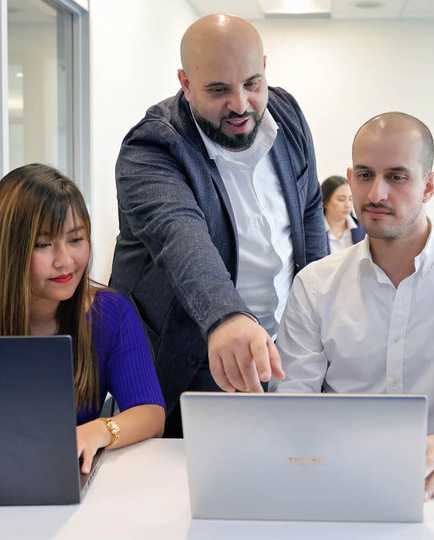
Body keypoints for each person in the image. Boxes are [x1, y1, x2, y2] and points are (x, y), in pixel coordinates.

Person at [272, 113, 434, 500]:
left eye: (396, 176)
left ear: (428, 186)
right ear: (350, 177)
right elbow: (293, 396)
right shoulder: (315, 283)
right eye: (364, 175)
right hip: (339, 478)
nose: (376, 194)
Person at [108, 14, 325, 437]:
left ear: (264, 68)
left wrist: (322, 318)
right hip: (193, 361)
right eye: (218, 90)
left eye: (252, 83)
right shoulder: (152, 147)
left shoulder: (288, 115)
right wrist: (227, 318)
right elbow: (181, 238)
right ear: (185, 83)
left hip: (285, 354)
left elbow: (309, 213)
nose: (240, 105)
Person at [0, 164, 165, 472]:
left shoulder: (111, 313)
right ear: (9, 250)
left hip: (63, 476)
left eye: (76, 239)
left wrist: (98, 430)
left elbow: (151, 414)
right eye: (43, 244)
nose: (65, 261)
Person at [321, 175, 364, 253]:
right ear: (325, 202)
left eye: (350, 199)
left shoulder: (363, 230)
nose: (348, 205)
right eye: (341, 199)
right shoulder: (313, 232)